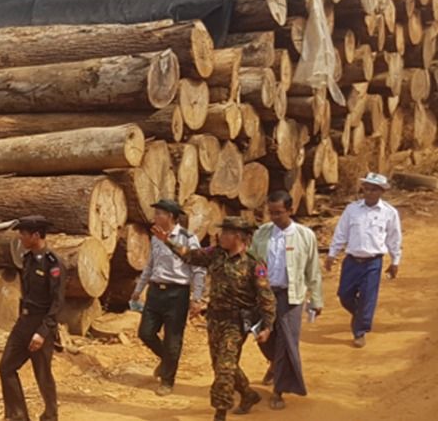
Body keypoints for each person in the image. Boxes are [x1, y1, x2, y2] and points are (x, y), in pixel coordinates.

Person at [153, 214, 275, 421]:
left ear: (238, 236)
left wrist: (267, 326)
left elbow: (267, 298)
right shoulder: (215, 254)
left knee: (224, 369)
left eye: (226, 232)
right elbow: (189, 255)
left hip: (236, 323)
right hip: (214, 319)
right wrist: (168, 241)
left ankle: (220, 413)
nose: (221, 235)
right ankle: (248, 394)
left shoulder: (254, 265)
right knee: (221, 364)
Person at [250, 190, 323, 410]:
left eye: (278, 213)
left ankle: (278, 391)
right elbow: (252, 263)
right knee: (263, 336)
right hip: (264, 295)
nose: (274, 217)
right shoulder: (262, 233)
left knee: (286, 342)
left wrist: (316, 299)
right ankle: (274, 363)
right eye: (270, 212)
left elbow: (313, 270)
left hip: (291, 297)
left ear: (290, 210)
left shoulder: (305, 236)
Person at [129, 199, 206, 395]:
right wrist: (139, 289)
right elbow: (150, 265)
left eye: (159, 213)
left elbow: (198, 269)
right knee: (145, 332)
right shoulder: (156, 237)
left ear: (171, 216)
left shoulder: (188, 238)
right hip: (156, 292)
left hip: (177, 294)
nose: (155, 217)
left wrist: (196, 298)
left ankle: (167, 380)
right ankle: (167, 362)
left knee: (173, 339)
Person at [0, 215, 65, 421]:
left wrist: (43, 332)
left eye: (23, 234)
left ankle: (51, 415)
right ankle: (17, 416)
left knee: (42, 374)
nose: (20, 237)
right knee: (6, 368)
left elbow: (57, 302)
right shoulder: (27, 259)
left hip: (41, 325)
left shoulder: (53, 263)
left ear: (36, 235)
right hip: (24, 323)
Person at [325, 172, 402, 348]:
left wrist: (395, 261)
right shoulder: (352, 210)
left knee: (368, 297)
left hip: (373, 262)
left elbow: (394, 238)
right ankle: (360, 314)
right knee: (344, 295)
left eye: (373, 189)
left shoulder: (389, 213)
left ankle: (359, 331)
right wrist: (332, 254)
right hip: (352, 261)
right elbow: (341, 233)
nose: (368, 192)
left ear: (382, 191)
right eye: (366, 189)